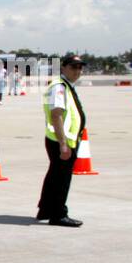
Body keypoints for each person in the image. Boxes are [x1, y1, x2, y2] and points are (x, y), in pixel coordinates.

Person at [36, 55, 87, 227]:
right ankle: (58, 214)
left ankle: (45, 209)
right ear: (63, 68)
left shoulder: (65, 86)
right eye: (73, 67)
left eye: (80, 67)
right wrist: (63, 144)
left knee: (54, 176)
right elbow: (56, 114)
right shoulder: (59, 87)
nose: (77, 71)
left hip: (60, 139)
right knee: (61, 180)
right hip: (61, 141)